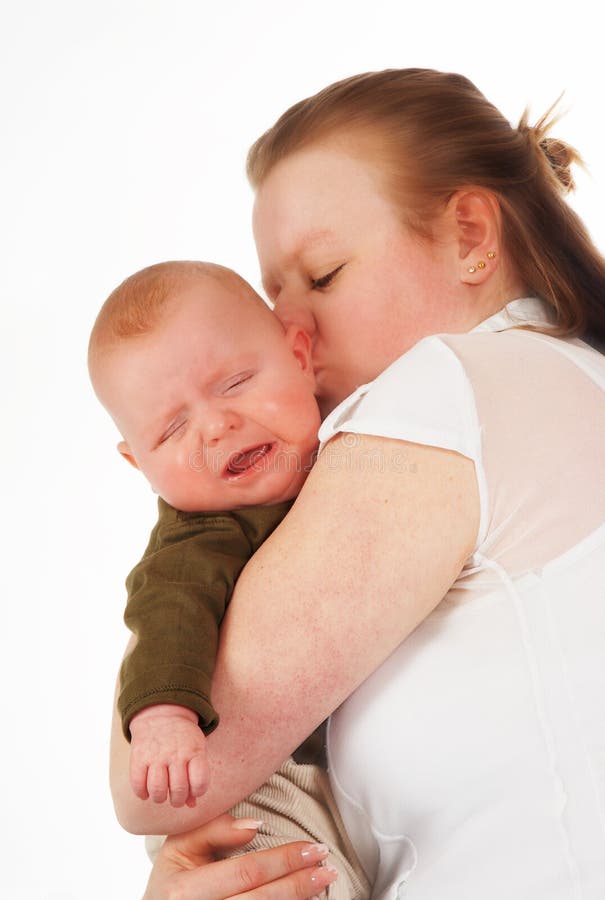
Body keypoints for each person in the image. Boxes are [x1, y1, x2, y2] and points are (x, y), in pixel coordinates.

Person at [109, 68, 605, 899]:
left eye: (324, 275)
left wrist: (190, 510)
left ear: (470, 232)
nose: (289, 328)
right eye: (273, 298)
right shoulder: (571, 381)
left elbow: (151, 782)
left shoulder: (448, 388)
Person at [88, 260, 369, 899]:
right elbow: (166, 611)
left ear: (299, 355)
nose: (215, 425)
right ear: (139, 464)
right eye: (171, 428)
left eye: (237, 382)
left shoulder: (363, 446)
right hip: (251, 786)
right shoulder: (200, 535)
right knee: (277, 873)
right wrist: (163, 714)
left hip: (336, 772)